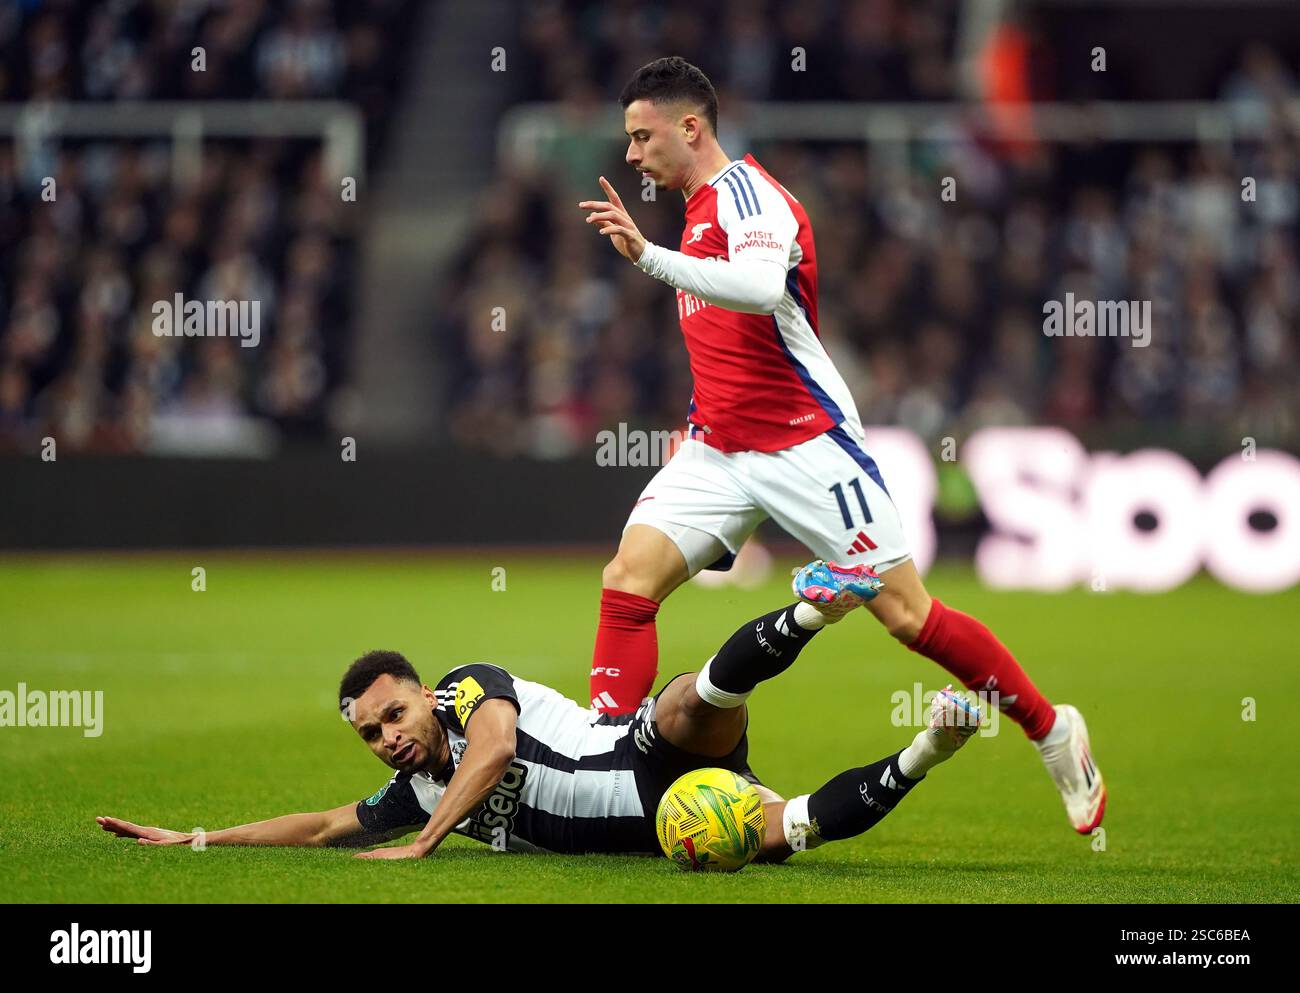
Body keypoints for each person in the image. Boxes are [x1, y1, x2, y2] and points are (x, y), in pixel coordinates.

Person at [576, 56, 1104, 834]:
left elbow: (757, 289)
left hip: (805, 445)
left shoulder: (756, 198)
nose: (630, 154)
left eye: (640, 135)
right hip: (717, 449)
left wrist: (646, 257)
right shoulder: (692, 206)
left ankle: (1050, 727)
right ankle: (606, 752)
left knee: (906, 615)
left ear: (690, 128)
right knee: (627, 579)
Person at [96, 562, 980, 860]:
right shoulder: (410, 791)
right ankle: (933, 745)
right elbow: (323, 823)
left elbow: (493, 750)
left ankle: (813, 607)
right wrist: (197, 840)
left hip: (638, 756)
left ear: (418, 691)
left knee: (684, 701)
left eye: (393, 714)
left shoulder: (468, 687)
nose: (389, 735)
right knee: (794, 832)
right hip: (672, 824)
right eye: (370, 733)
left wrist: (426, 841)